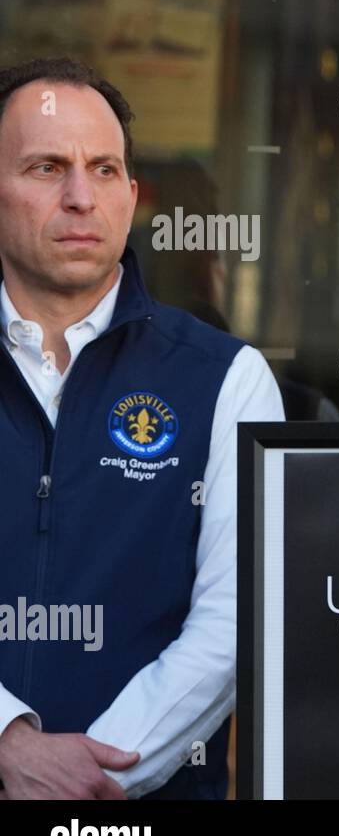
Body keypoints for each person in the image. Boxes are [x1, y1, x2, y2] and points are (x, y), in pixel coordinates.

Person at [0, 58, 283, 798]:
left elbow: (232, 627)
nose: (79, 196)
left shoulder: (228, 380)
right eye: (46, 167)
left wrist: (89, 775)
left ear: (131, 195)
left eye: (103, 169)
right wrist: (7, 745)